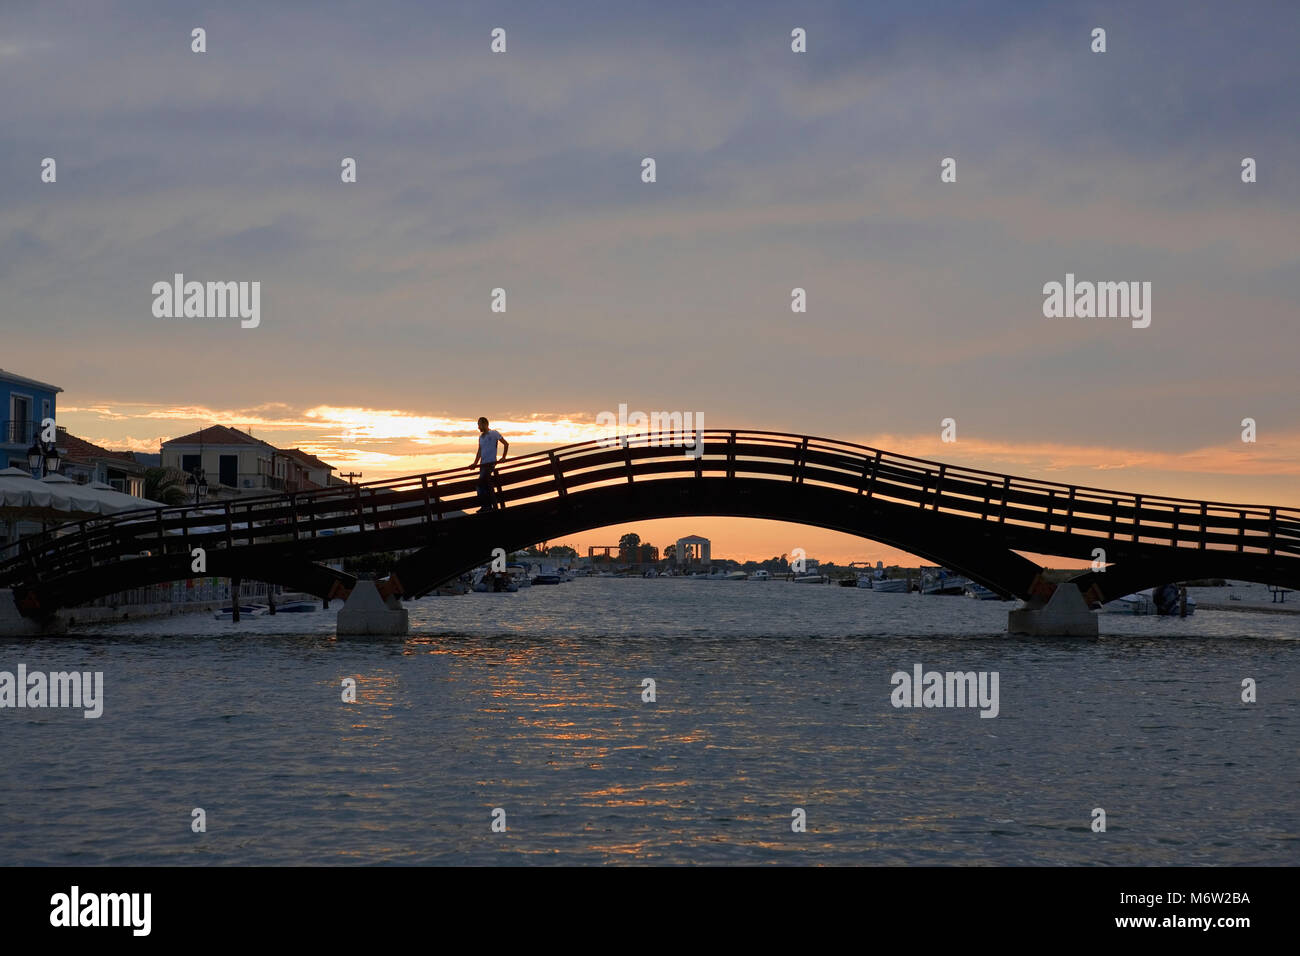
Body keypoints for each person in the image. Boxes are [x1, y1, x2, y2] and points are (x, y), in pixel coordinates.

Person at [472, 417, 508, 513]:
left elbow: (506, 444)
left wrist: (504, 457)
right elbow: (480, 451)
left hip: (490, 463)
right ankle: (488, 506)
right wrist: (475, 463)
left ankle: (486, 506)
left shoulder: (494, 433)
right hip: (482, 465)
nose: (478, 427)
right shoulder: (481, 437)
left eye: (479, 425)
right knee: (484, 485)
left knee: (480, 485)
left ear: (485, 424)